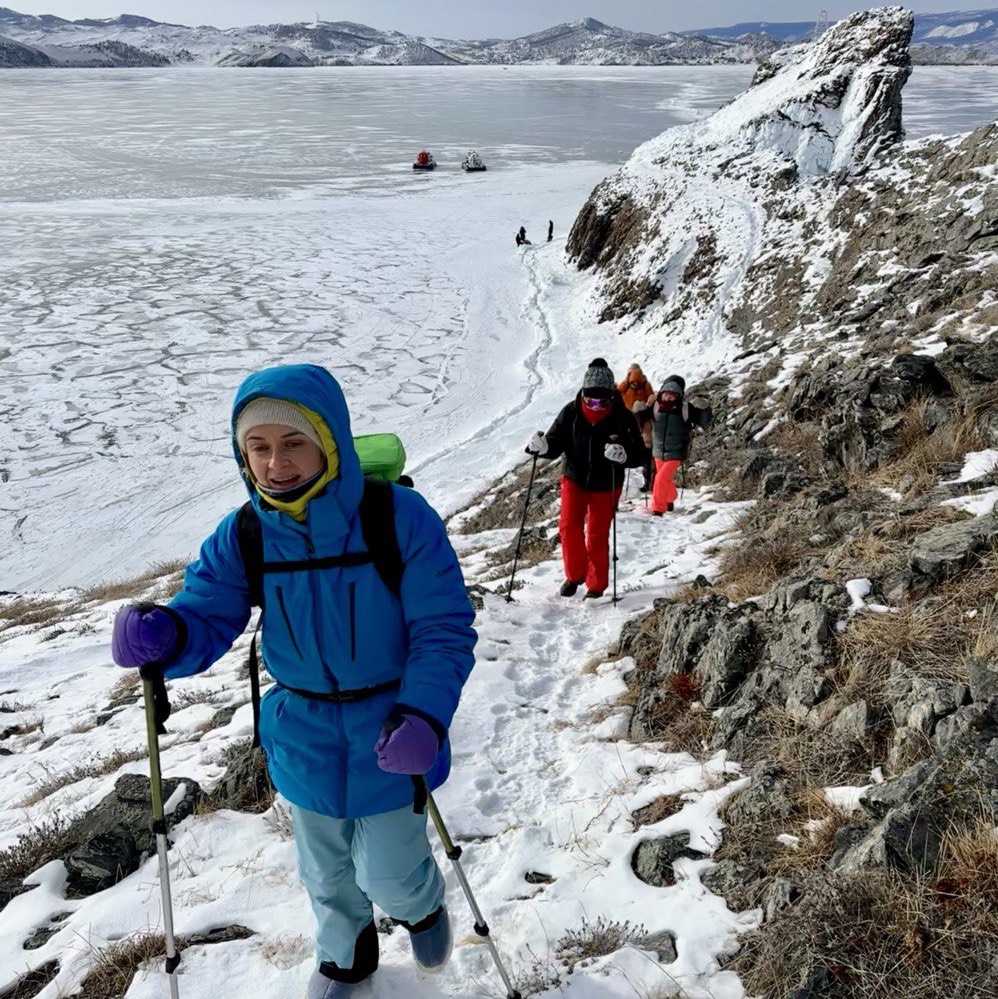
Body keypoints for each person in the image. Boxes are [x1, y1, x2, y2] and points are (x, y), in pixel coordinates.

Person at [110, 364, 477, 999]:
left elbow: (443, 627)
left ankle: (420, 906)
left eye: (293, 443)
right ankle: (345, 961)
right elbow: (206, 609)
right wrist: (166, 635)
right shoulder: (246, 534)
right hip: (302, 728)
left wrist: (424, 712)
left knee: (388, 869)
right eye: (258, 448)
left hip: (391, 726)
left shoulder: (399, 518)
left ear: (330, 442)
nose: (275, 464)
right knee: (325, 873)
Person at [526, 358, 643, 598]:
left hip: (607, 483)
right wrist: (540, 447)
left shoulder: (623, 417)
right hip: (575, 478)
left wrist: (623, 455)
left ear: (611, 395)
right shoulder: (571, 412)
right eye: (591, 399)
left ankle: (596, 586)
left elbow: (639, 454)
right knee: (569, 527)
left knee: (597, 534)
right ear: (583, 394)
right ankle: (575, 574)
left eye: (602, 400)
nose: (596, 405)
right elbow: (554, 444)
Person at [651, 374, 712, 516]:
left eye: (672, 395)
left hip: (676, 452)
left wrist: (705, 409)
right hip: (658, 451)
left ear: (679, 395)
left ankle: (658, 509)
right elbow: (641, 421)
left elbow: (704, 422)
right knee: (664, 480)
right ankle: (669, 499)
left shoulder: (686, 409)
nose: (668, 398)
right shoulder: (655, 406)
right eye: (666, 394)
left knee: (660, 479)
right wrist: (638, 410)